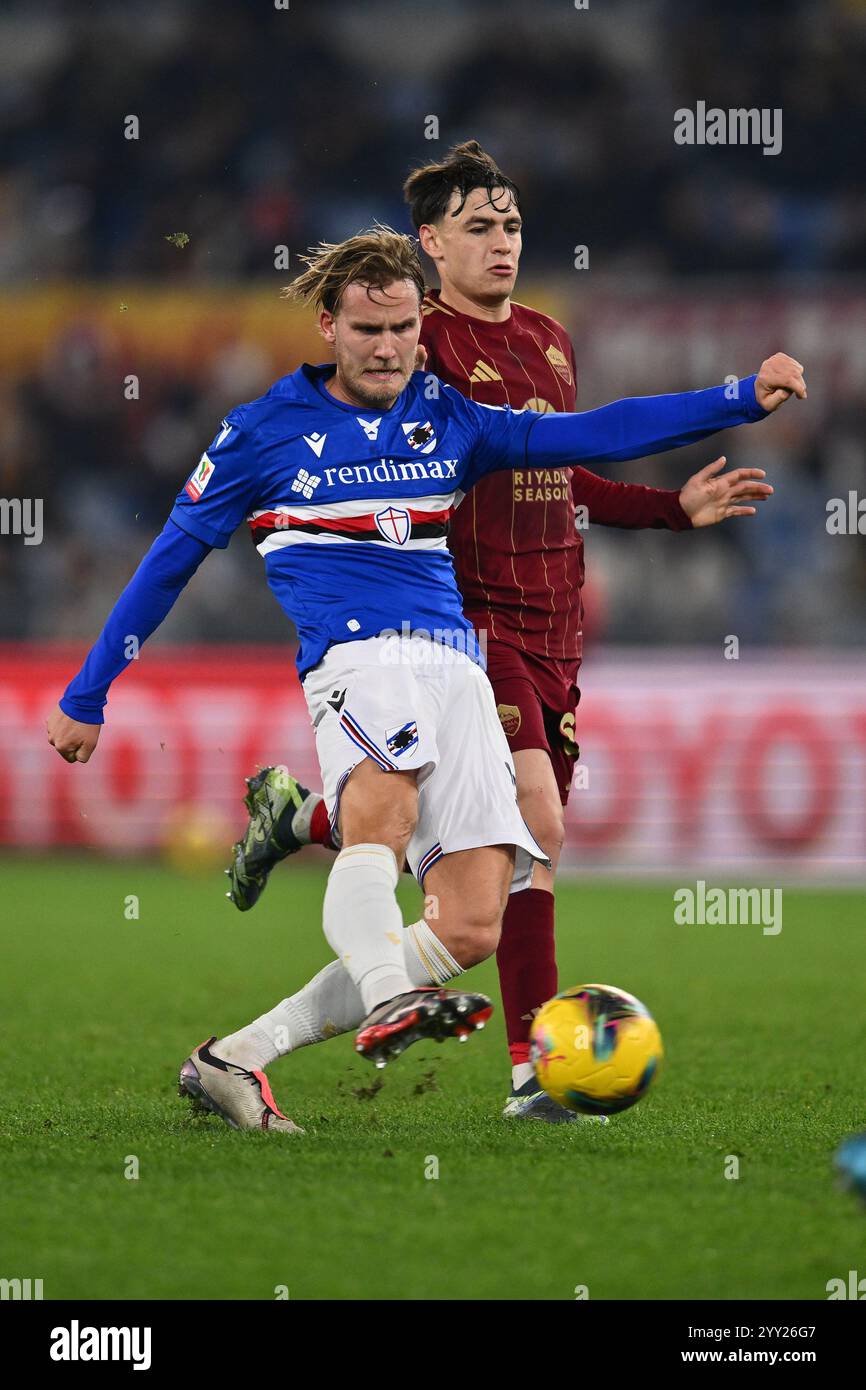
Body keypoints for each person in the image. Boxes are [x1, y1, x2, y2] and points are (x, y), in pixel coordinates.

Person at [46, 227, 805, 1133]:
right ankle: (384, 1001)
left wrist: (736, 399)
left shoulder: (451, 417)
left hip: (458, 670)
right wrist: (87, 693)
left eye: (404, 327)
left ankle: (234, 1056)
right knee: (383, 814)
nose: (388, 346)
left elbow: (595, 431)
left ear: (420, 326)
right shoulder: (261, 432)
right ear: (328, 325)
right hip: (359, 657)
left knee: (473, 925)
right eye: (368, 329)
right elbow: (170, 558)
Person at [226, 143, 784, 1123]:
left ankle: (304, 841)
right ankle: (533, 1061)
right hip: (467, 622)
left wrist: (666, 510)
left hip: (555, 617)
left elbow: (560, 464)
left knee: (506, 872)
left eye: (511, 224)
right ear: (429, 243)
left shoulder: (548, 340)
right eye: (478, 226)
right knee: (540, 822)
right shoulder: (414, 342)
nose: (500, 242)